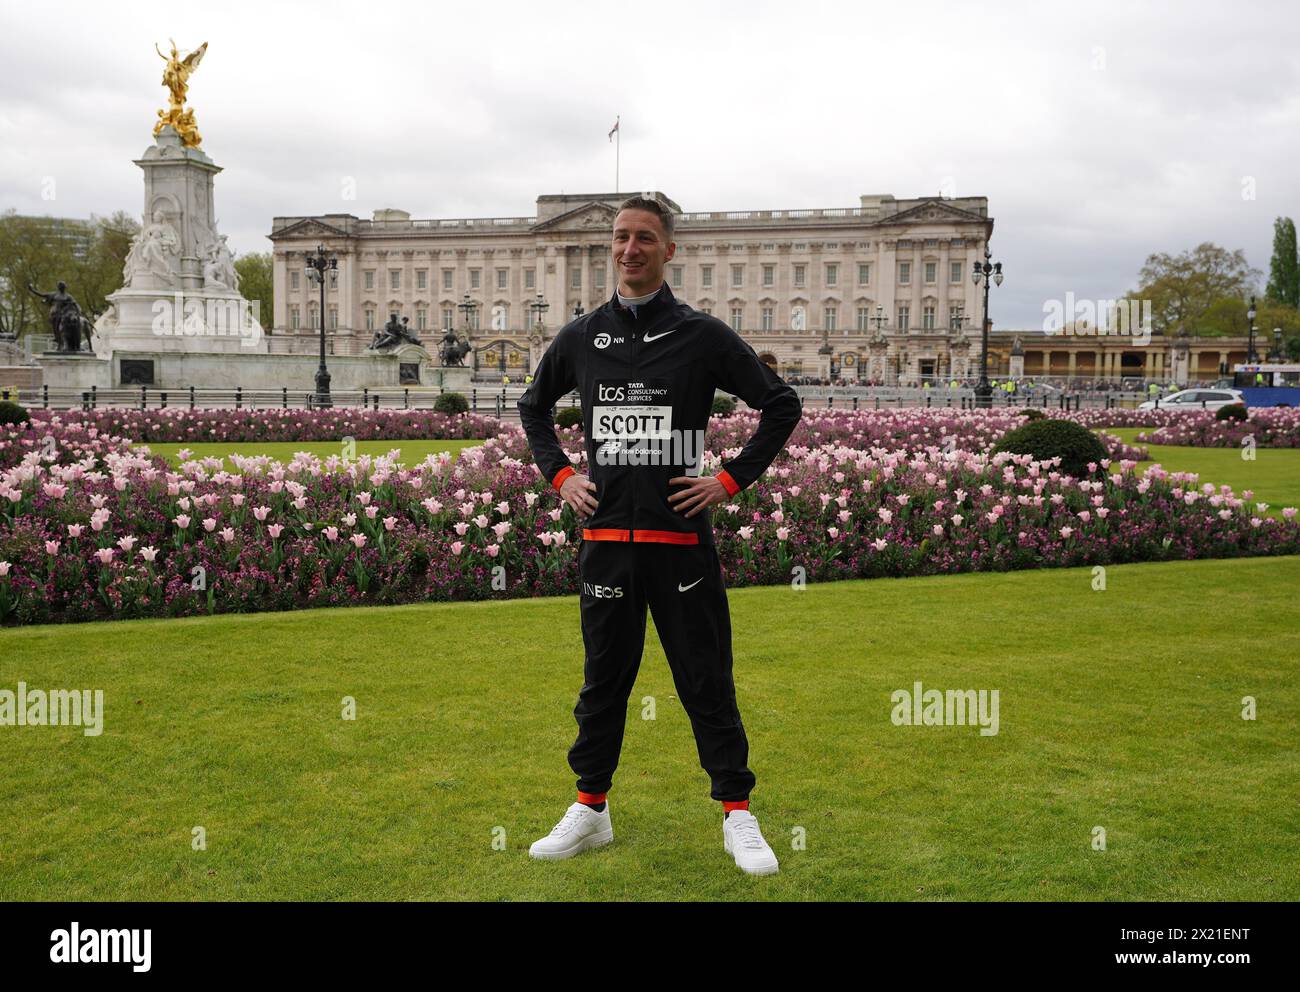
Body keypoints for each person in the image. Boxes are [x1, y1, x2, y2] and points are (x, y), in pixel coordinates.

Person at [517, 196, 802, 876]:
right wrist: (560, 477)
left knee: (706, 682)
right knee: (602, 684)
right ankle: (591, 810)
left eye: (644, 237)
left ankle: (738, 816)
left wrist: (727, 481)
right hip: (607, 545)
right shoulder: (582, 335)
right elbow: (533, 407)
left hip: (681, 547)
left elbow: (781, 404)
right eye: (620, 237)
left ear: (669, 249)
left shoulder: (702, 336)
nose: (629, 248)